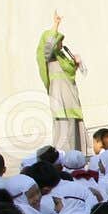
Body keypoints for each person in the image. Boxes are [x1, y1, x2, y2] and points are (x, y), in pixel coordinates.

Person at [38, 12, 85, 151]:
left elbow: (70, 74)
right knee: (63, 126)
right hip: (59, 97)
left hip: (71, 97)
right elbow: (48, 46)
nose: (61, 43)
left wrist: (76, 64)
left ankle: (76, 155)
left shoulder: (63, 57)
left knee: (73, 125)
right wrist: (56, 25)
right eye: (59, 40)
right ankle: (64, 155)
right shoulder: (49, 55)